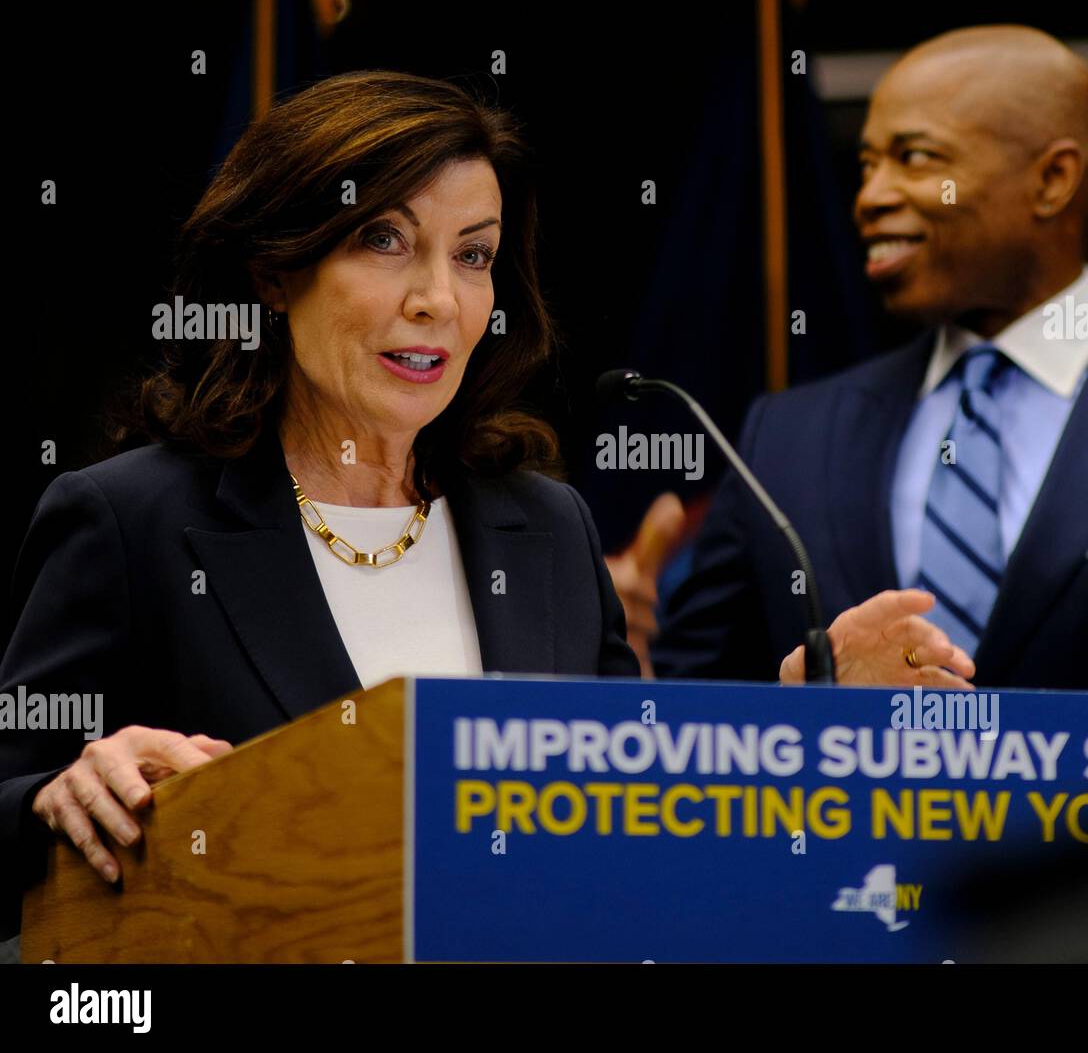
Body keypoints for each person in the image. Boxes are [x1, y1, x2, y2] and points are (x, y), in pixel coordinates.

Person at [0, 71, 641, 939]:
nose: (438, 301)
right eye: (384, 239)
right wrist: (56, 792)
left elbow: (626, 829)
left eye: (473, 254)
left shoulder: (549, 527)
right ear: (275, 270)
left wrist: (793, 712)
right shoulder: (128, 521)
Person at [640, 25, 1088, 689]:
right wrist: (646, 657)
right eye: (867, 165)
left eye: (916, 157)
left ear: (1052, 179)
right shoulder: (783, 439)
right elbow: (690, 719)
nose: (871, 197)